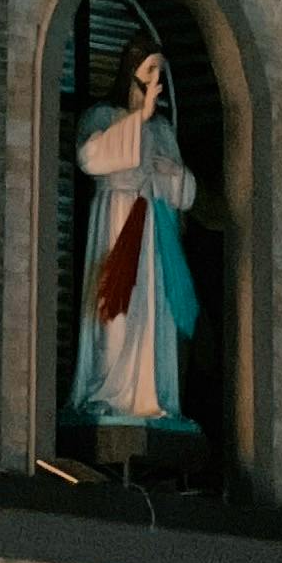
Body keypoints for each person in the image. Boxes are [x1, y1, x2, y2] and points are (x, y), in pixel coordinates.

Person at [69, 41, 199, 425]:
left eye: (161, 73)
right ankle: (107, 391)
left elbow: (183, 193)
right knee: (116, 314)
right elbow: (90, 158)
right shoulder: (103, 115)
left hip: (154, 225)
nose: (156, 80)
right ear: (132, 72)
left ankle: (148, 393)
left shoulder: (162, 129)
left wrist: (174, 175)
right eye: (149, 72)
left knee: (151, 309)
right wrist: (137, 118)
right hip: (117, 217)